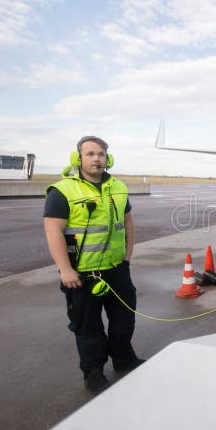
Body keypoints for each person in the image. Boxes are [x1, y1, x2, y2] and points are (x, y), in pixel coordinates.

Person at [43, 136, 144, 395]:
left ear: (107, 158)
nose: (96, 158)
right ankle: (94, 373)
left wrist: (127, 257)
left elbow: (128, 222)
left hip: (117, 268)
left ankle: (123, 358)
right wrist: (65, 270)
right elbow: (53, 231)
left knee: (124, 320)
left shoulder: (119, 188)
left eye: (100, 154)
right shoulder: (62, 191)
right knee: (89, 328)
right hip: (82, 274)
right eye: (89, 154)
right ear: (78, 158)